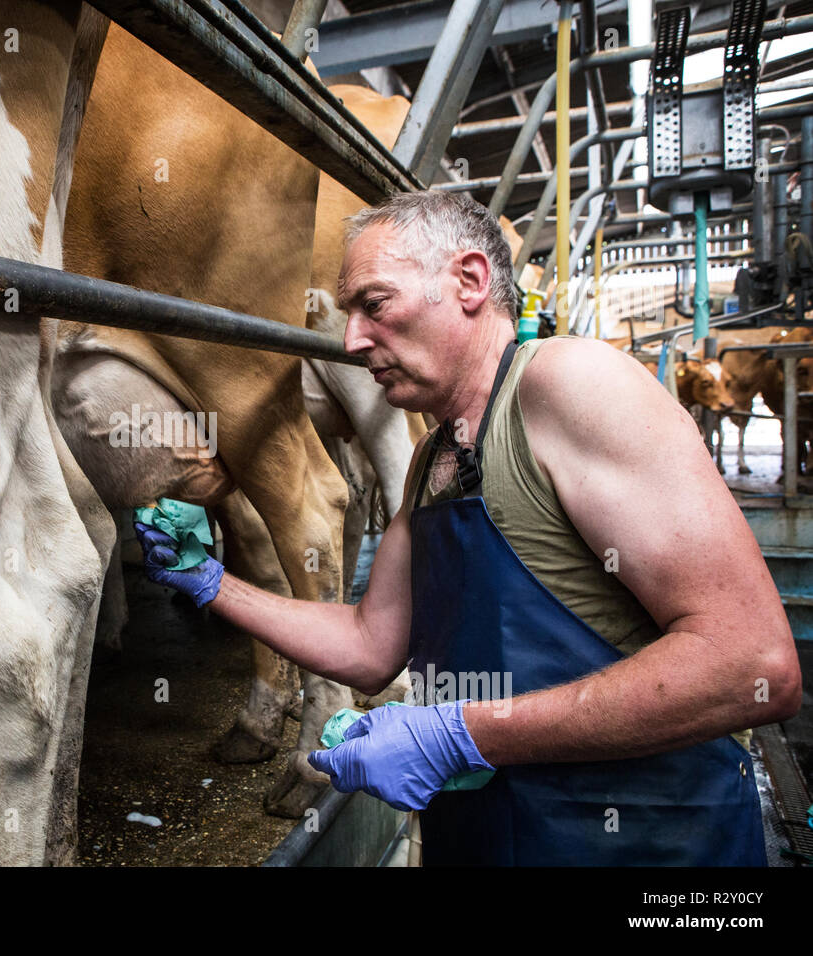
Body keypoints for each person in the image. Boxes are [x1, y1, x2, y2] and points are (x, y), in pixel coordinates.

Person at [135, 191, 801, 866]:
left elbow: (753, 664)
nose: (351, 340)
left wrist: (461, 735)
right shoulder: (431, 459)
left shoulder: (572, 386)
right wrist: (211, 582)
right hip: (487, 841)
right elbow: (370, 645)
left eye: (374, 303)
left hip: (643, 848)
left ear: (471, 281)